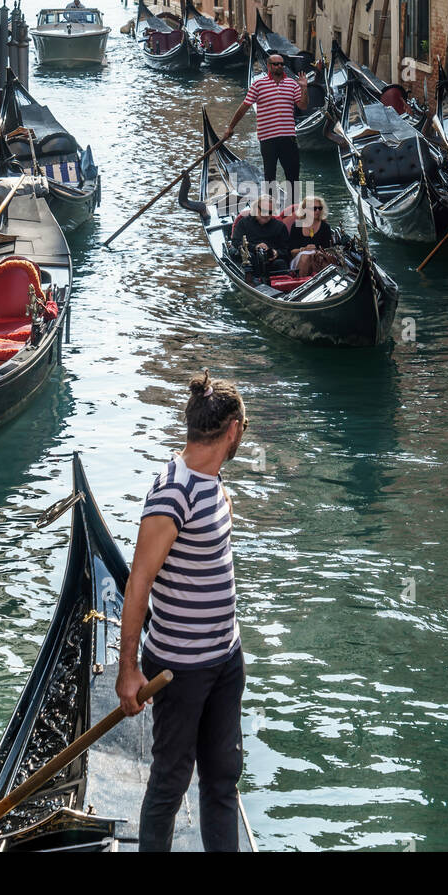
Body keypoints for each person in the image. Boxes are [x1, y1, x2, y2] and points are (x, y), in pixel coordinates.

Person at [116, 370, 248, 852]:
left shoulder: (213, 481)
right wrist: (128, 671)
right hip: (178, 669)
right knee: (170, 784)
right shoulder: (172, 493)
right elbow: (137, 585)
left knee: (222, 779)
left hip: (225, 660)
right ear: (232, 429)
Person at [223, 50, 309, 205]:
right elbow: (245, 107)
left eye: (281, 64)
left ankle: (294, 209)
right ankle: (269, 209)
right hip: (267, 138)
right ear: (269, 66)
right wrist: (230, 127)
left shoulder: (292, 84)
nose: (279, 66)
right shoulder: (258, 85)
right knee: (270, 176)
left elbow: (302, 105)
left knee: (293, 175)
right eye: (276, 64)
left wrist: (304, 88)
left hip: (288, 137)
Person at [230, 194, 290, 276]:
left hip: (272, 261)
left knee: (280, 263)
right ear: (256, 208)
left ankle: (283, 285)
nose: (266, 215)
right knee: (250, 259)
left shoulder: (280, 226)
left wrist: (276, 252)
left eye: (269, 212)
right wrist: (255, 247)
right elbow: (236, 242)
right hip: (250, 258)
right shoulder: (243, 223)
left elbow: (286, 249)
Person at [289, 195, 334, 277]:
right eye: (314, 208)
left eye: (319, 208)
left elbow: (327, 249)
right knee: (306, 256)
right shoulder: (297, 225)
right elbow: (292, 252)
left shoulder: (325, 227)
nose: (317, 211)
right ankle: (301, 284)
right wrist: (304, 249)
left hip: (318, 258)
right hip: (299, 259)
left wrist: (317, 253)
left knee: (317, 259)